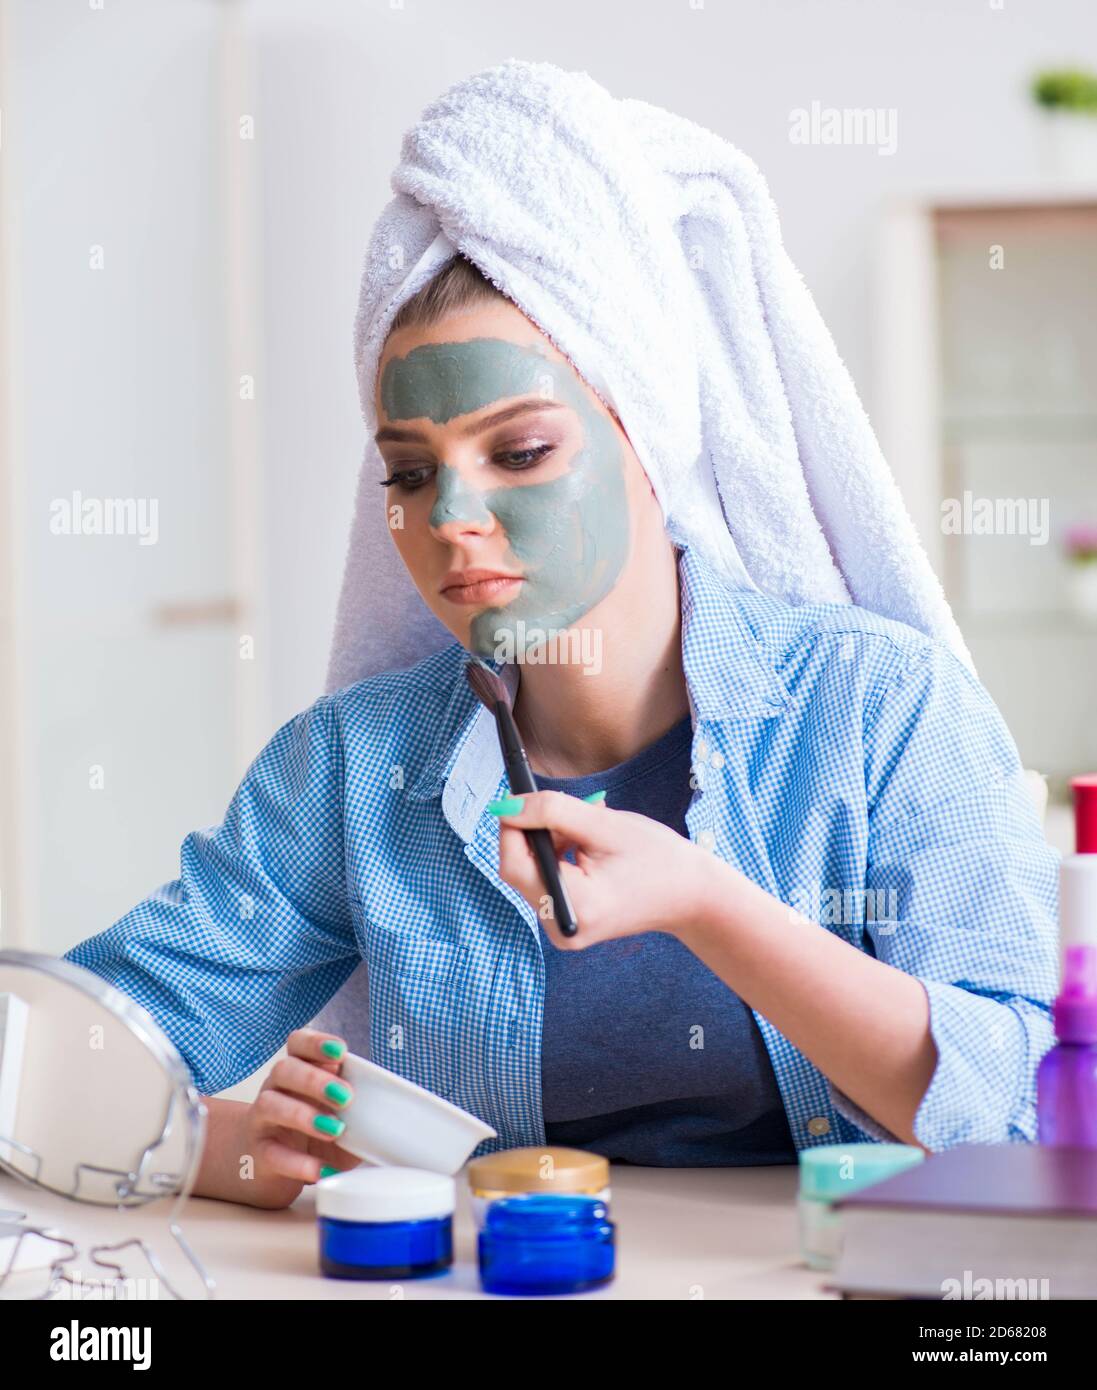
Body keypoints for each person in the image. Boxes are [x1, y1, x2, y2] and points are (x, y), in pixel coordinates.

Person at [63, 251, 1059, 1209]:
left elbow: (1025, 1114)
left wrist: (705, 904)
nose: (452, 515)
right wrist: (242, 1150)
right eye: (410, 476)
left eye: (521, 451)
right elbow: (62, 1062)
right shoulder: (351, 769)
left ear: (647, 438)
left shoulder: (879, 704)